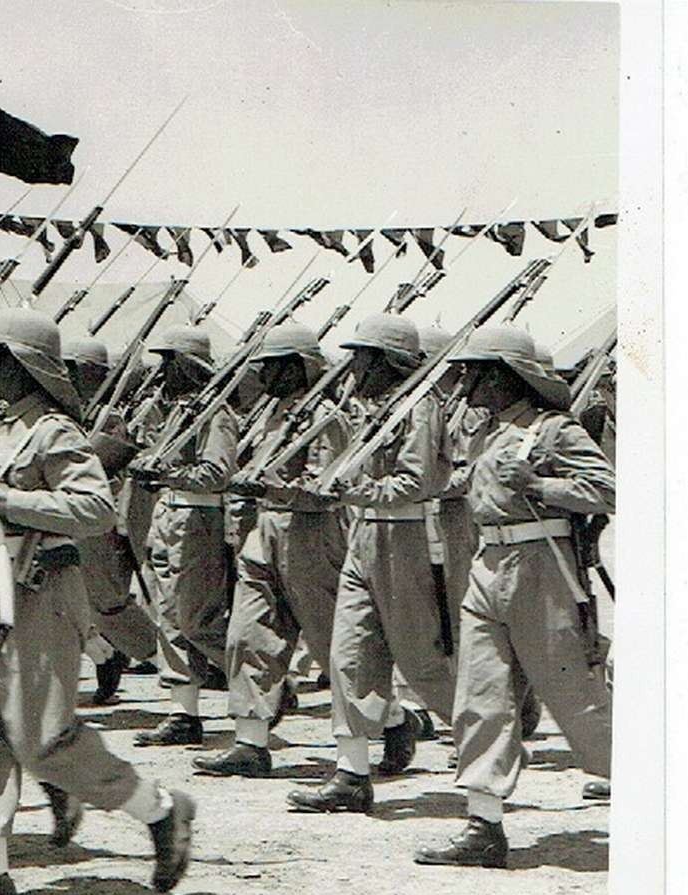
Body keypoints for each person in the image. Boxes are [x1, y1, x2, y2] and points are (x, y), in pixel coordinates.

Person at [0, 308, 195, 895]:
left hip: (40, 588)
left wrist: (9, 499)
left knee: (42, 740)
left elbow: (95, 509)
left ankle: (158, 809)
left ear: (24, 366)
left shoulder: (54, 432)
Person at [415, 325, 613, 867]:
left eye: (477, 373)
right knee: (480, 698)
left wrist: (539, 485)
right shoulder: (484, 431)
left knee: (577, 699)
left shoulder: (553, 430)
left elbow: (609, 489)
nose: (467, 383)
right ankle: (483, 825)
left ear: (507, 377)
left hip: (542, 569)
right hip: (487, 565)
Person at [286, 313, 453, 814]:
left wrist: (351, 488)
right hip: (364, 533)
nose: (353, 366)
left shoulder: (420, 406)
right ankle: (351, 775)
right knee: (349, 655)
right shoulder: (365, 408)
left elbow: (415, 481)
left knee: (423, 663)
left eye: (363, 357)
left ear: (388, 361)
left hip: (406, 536)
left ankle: (490, 740)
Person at [195, 321, 345, 777]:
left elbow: (328, 487)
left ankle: (394, 720)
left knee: (330, 642)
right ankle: (251, 743)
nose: (264, 375)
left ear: (298, 367)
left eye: (274, 367)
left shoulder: (326, 416)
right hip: (265, 528)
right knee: (248, 634)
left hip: (310, 532)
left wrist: (272, 486)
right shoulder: (271, 413)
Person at [127, 324, 239, 747]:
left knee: (197, 620)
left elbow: (216, 472)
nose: (162, 371)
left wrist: (166, 473)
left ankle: (260, 681)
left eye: (170, 362)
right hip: (167, 514)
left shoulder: (216, 414)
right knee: (169, 619)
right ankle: (183, 713)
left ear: (189, 366)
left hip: (198, 517)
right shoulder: (175, 411)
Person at [63, 330, 160, 705]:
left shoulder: (111, 418)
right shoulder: (68, 413)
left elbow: (103, 466)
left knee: (108, 602)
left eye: (74, 369)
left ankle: (170, 661)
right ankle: (105, 654)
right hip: (68, 517)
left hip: (100, 522)